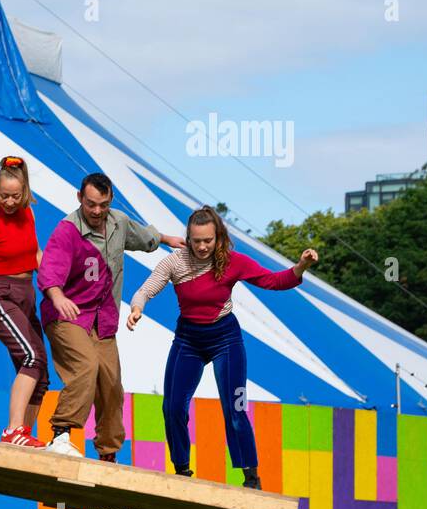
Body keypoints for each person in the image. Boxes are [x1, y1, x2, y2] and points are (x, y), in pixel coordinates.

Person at [128, 206, 318, 489]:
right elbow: (146, 289)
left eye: (208, 240)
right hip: (188, 340)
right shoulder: (175, 262)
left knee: (235, 407)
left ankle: (251, 477)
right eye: (196, 241)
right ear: (188, 239)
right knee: (172, 406)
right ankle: (182, 471)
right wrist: (136, 308)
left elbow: (274, 281)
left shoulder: (232, 261)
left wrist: (301, 266)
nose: (202, 246)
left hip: (225, 338)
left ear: (218, 238)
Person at [37, 173, 185, 459]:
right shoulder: (67, 231)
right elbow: (49, 272)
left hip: (102, 320)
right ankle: (61, 434)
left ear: (110, 201)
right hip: (67, 314)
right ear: (80, 198)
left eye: (102, 205)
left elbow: (143, 237)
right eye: (90, 204)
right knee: (86, 366)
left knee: (112, 384)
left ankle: (107, 453)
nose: (96, 211)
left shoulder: (118, 222)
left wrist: (167, 239)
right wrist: (59, 297)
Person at [0, 156, 49, 447]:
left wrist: (55, 286)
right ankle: (13, 431)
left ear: (25, 190)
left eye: (16, 195)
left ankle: (23, 436)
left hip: (27, 292)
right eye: (4, 195)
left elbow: (35, 254)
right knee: (32, 357)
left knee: (41, 374)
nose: (10, 202)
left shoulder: (29, 213)